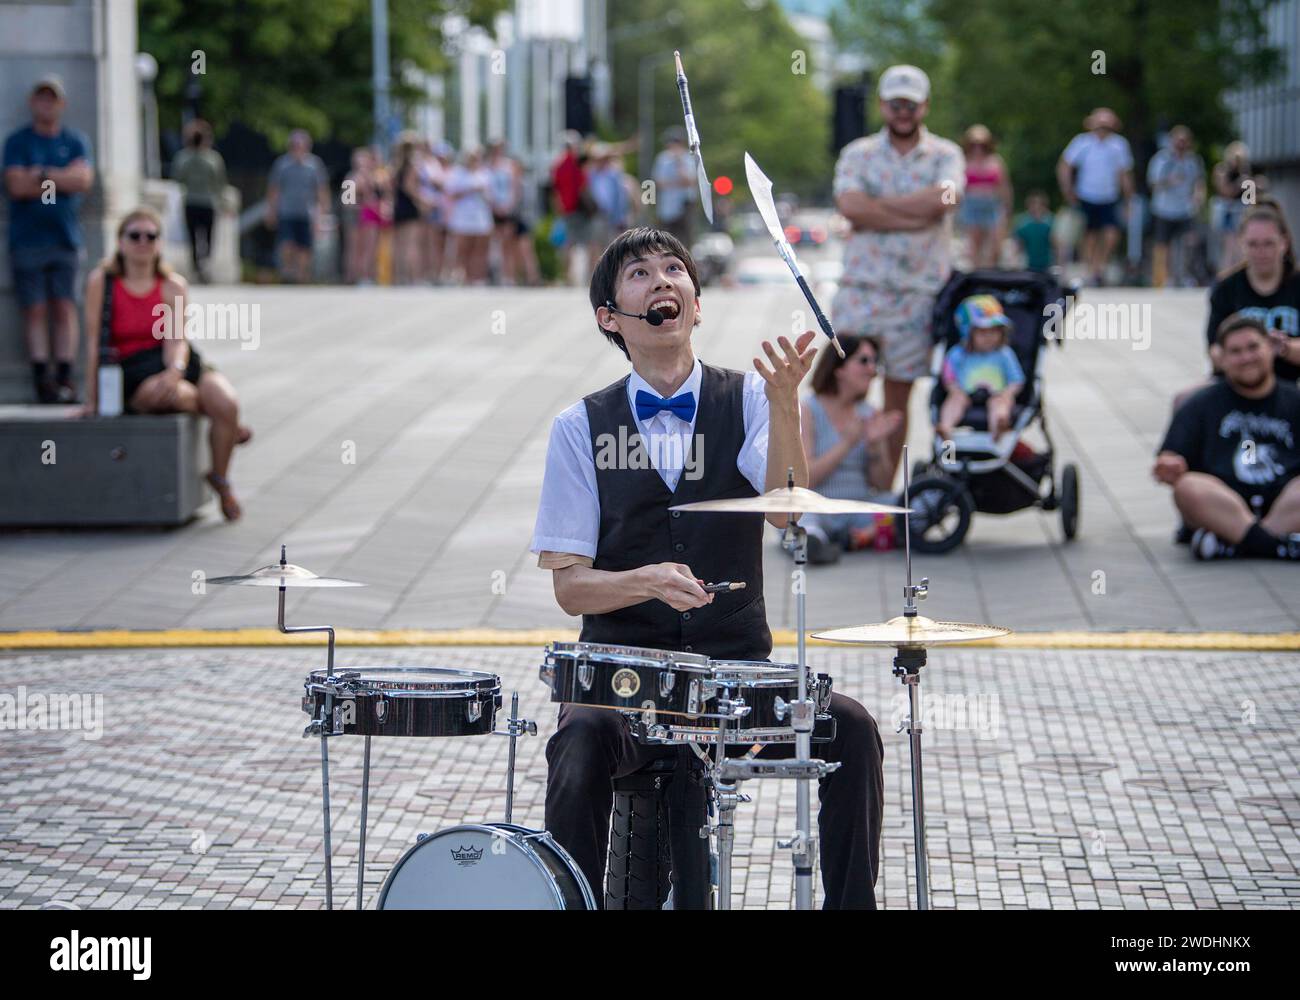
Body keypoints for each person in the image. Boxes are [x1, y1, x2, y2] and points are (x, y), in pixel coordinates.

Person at [530, 227, 885, 909]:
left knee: (854, 727)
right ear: (611, 316)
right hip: (626, 682)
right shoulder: (579, 426)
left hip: (734, 678)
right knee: (578, 739)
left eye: (675, 269)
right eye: (639, 274)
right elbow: (571, 588)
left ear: (696, 305)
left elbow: (787, 511)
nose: (662, 280)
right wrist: (644, 580)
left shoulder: (749, 399)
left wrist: (786, 401)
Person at [831, 64, 965, 486]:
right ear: (882, 105)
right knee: (844, 390)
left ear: (924, 105)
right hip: (861, 289)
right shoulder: (858, 152)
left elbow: (944, 199)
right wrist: (914, 214)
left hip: (917, 293)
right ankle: (839, 482)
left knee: (897, 398)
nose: (903, 111)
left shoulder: (945, 153)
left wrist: (880, 209)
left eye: (911, 104)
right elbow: (850, 206)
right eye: (895, 103)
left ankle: (883, 489)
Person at [79, 208, 251, 520]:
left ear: (159, 243)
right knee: (173, 397)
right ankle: (228, 428)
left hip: (176, 360)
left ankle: (221, 479)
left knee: (226, 402)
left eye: (151, 236)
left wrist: (175, 371)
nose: (143, 242)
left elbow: (176, 339)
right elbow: (93, 342)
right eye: (135, 235)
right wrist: (91, 400)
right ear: (120, 242)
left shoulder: (172, 285)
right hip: (132, 367)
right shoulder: (102, 282)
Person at [1154, 315, 1300, 560]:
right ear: (1221, 359)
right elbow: (1170, 454)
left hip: (1282, 504)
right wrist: (1168, 466)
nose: (1246, 358)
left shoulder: (1295, 400)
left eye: (1253, 347)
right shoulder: (1199, 403)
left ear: (1270, 348)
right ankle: (1279, 545)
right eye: (1236, 351)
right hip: (1223, 505)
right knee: (1188, 487)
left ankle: (1233, 544)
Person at [3, 74, 94, 404]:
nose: (46, 104)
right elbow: (15, 186)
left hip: (64, 238)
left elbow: (83, 180)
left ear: (62, 104)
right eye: (41, 98)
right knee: (35, 310)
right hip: (27, 239)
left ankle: (66, 376)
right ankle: (43, 378)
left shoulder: (75, 140)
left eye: (52, 99)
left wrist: (39, 175)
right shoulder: (18, 141)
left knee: (64, 307)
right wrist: (58, 176)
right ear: (32, 102)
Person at [798, 335, 903, 564]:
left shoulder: (869, 413)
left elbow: (883, 484)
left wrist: (876, 446)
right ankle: (815, 542)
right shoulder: (809, 409)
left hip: (859, 507)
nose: (872, 369)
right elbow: (806, 479)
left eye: (875, 362)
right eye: (864, 361)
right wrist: (846, 443)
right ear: (839, 368)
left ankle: (854, 538)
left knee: (906, 503)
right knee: (799, 514)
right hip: (820, 506)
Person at [1205, 202, 1299, 384]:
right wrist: (1246, 355)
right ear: (1241, 243)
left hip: (1288, 385)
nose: (1261, 252)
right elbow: (1214, 350)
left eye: (1268, 244)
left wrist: (1283, 347)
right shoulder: (1226, 288)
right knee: (1183, 401)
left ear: (1284, 243)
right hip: (1236, 384)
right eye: (1253, 244)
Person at [1057, 108, 1133, 287]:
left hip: (1109, 196)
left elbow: (1124, 173)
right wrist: (1068, 190)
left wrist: (1129, 198)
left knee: (1111, 234)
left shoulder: (1119, 145)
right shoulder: (1082, 143)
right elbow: (1065, 165)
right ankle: (1091, 271)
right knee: (1089, 235)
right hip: (1086, 195)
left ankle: (1100, 266)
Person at [936, 294, 1025, 440]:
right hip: (965, 393)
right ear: (968, 332)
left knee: (1001, 403)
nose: (989, 336)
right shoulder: (958, 353)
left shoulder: (1004, 353)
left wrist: (1008, 393)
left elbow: (1016, 379)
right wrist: (954, 389)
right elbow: (948, 376)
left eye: (994, 331)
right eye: (982, 332)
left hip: (996, 393)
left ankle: (998, 426)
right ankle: (946, 427)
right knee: (955, 400)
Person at [266, 129, 330, 284]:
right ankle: (288, 272)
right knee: (286, 243)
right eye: (295, 145)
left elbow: (321, 190)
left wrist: (322, 212)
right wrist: (271, 210)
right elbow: (274, 189)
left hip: (307, 212)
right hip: (286, 210)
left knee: (304, 246)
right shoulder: (282, 164)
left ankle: (300, 276)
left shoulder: (314, 165)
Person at [1146, 126, 1205, 288]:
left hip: (1185, 209)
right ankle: (1163, 278)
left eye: (1184, 141)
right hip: (1163, 209)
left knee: (1188, 243)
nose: (1181, 144)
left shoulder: (1193, 160)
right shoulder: (1162, 159)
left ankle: (1184, 275)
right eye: (1178, 141)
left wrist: (1198, 196)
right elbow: (1153, 183)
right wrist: (1169, 181)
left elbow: (1199, 181)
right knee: (1163, 245)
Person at [170, 119, 227, 283]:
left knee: (194, 237)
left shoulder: (183, 157)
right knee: (208, 236)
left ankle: (197, 266)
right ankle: (204, 265)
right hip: (207, 202)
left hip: (191, 202)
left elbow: (178, 178)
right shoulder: (213, 158)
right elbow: (219, 182)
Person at [957, 124, 1011, 269]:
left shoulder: (996, 160)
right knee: (975, 247)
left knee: (996, 246)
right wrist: (948, 206)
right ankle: (977, 277)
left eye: (981, 143)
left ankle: (990, 274)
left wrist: (1007, 208)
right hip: (971, 205)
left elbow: (1004, 185)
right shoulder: (962, 160)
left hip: (992, 205)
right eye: (974, 143)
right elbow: (951, 185)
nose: (977, 147)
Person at [487, 140, 538, 286]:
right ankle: (505, 276)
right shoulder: (491, 167)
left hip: (512, 212)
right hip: (499, 210)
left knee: (513, 245)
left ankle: (515, 276)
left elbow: (516, 192)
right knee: (501, 244)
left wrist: (508, 206)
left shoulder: (512, 170)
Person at [444, 146, 493, 285]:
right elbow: (451, 194)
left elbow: (490, 196)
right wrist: (470, 189)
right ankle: (461, 276)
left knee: (479, 249)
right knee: (462, 249)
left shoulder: (485, 173)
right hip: (462, 217)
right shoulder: (457, 173)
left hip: (480, 216)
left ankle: (477, 278)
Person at [1210, 142, 1259, 272]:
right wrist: (1239, 184)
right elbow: (1225, 191)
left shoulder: (1245, 172)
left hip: (1241, 212)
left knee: (1241, 246)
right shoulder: (1222, 170)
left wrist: (1253, 185)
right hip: (1228, 213)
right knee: (1229, 246)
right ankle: (1226, 274)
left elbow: (1249, 197)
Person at [550, 131, 590, 284]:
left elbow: (554, 189)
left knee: (567, 244)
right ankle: (576, 277)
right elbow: (584, 186)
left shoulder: (558, 164)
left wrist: (558, 207)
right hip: (578, 209)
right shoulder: (576, 163)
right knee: (581, 243)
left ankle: (567, 276)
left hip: (565, 209)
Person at [651, 127, 697, 247]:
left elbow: (690, 181)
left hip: (685, 203)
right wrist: (677, 183)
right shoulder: (662, 159)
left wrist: (679, 163)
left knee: (686, 237)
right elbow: (659, 182)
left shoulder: (688, 158)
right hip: (667, 207)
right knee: (668, 238)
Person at [1013, 191, 1055, 273]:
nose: (1036, 207)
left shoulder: (1051, 222)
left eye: (1039, 205)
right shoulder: (1022, 222)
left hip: (1047, 264)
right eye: (1033, 204)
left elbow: (1056, 244)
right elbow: (1018, 245)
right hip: (1028, 264)